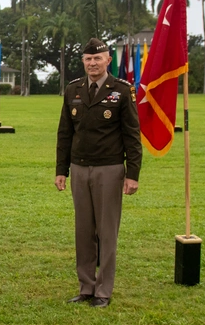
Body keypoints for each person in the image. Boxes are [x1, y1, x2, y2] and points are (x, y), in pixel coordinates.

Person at [55, 37, 142, 308]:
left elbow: (132, 134)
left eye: (98, 58)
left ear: (107, 60)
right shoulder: (73, 90)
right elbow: (65, 133)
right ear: (83, 62)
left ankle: (103, 290)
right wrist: (62, 170)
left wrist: (133, 174)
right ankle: (86, 287)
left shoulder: (122, 91)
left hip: (110, 168)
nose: (93, 63)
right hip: (80, 168)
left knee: (106, 231)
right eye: (88, 59)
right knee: (83, 230)